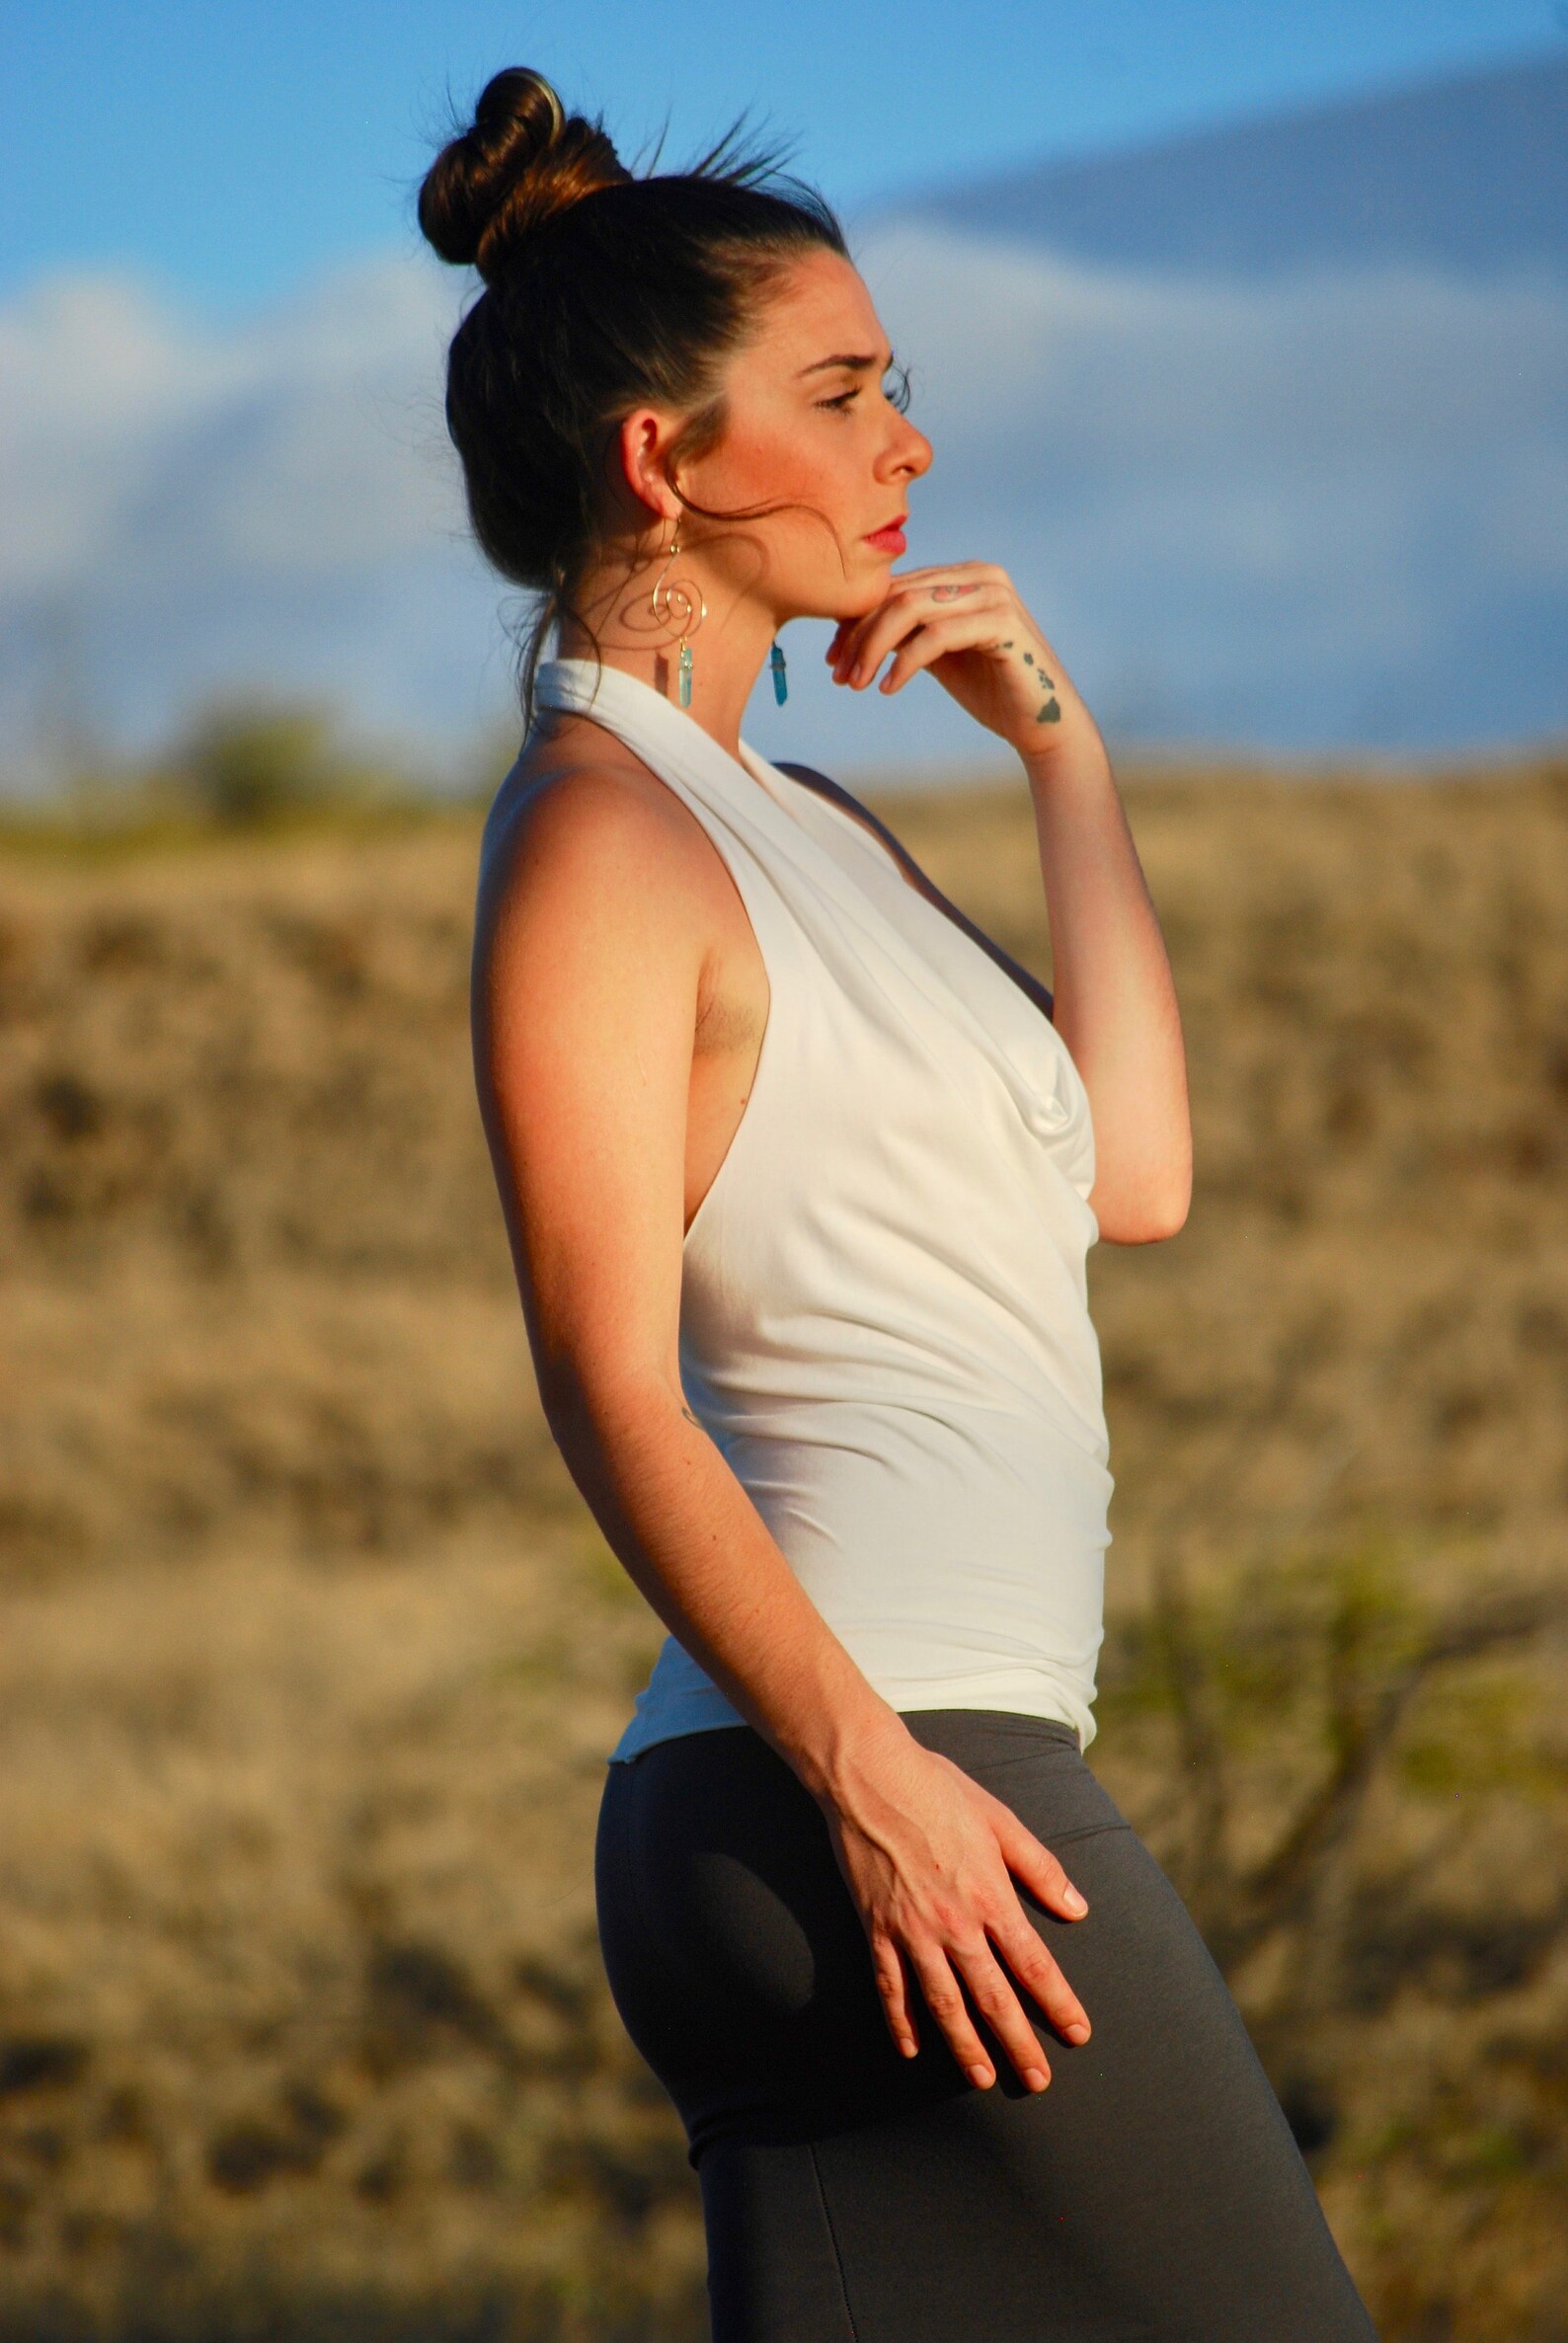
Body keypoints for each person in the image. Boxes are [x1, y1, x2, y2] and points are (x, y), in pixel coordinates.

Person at [422, 65, 1379, 2342]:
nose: (904, 446)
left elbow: (1126, 1170)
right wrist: (876, 1784)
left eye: (896, 390)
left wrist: (1058, 746)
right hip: (871, 1773)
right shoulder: (594, 835)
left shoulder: (816, 827)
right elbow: (598, 1375)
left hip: (872, 1785)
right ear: (662, 457)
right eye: (841, 393)